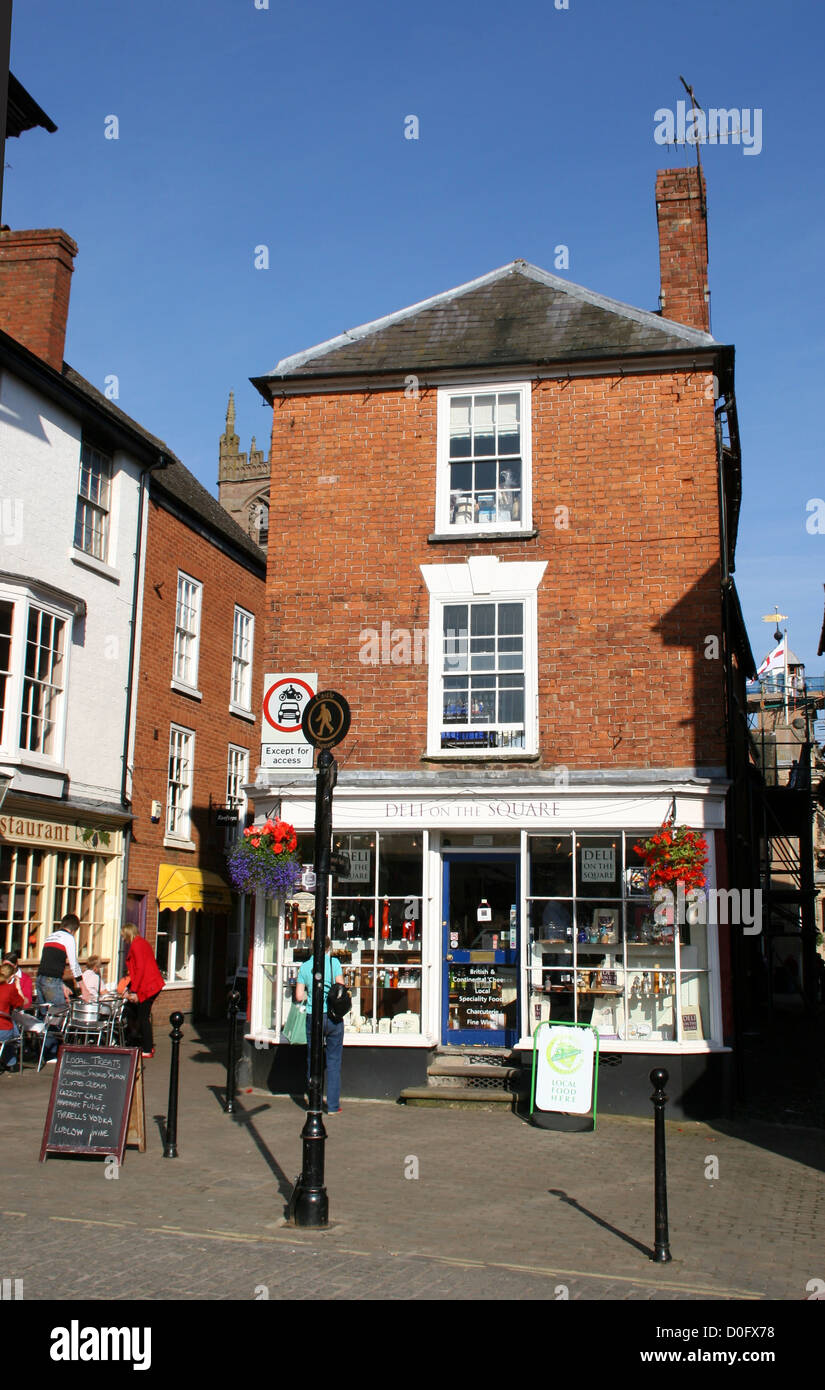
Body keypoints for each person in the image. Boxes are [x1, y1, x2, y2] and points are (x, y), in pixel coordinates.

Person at [294, 936, 345, 1114]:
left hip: (312, 1016)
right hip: (333, 1017)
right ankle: (332, 1106)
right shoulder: (333, 962)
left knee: (312, 1059)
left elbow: (299, 996)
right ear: (328, 948)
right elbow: (340, 986)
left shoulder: (305, 966)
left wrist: (312, 996)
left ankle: (313, 1102)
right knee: (333, 1061)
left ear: (312, 948)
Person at [120, 924, 164, 1058]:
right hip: (150, 984)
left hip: (147, 986)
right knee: (136, 1011)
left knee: (143, 1016)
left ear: (128, 934)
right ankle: (139, 1041)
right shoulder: (142, 943)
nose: (123, 939)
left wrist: (134, 991)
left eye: (123, 936)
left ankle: (147, 1048)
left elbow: (140, 969)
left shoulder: (136, 945)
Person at [36, 913, 91, 1010]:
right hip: (52, 981)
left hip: (40, 979)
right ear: (74, 930)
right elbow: (74, 965)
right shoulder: (68, 938)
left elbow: (49, 964)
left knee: (44, 1016)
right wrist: (83, 988)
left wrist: (61, 985)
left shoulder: (50, 937)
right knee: (59, 1014)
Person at [0, 960, 26, 1071]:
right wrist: (18, 986)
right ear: (11, 977)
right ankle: (11, 1063)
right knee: (14, 1036)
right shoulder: (10, 989)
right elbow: (21, 1003)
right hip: (3, 1027)